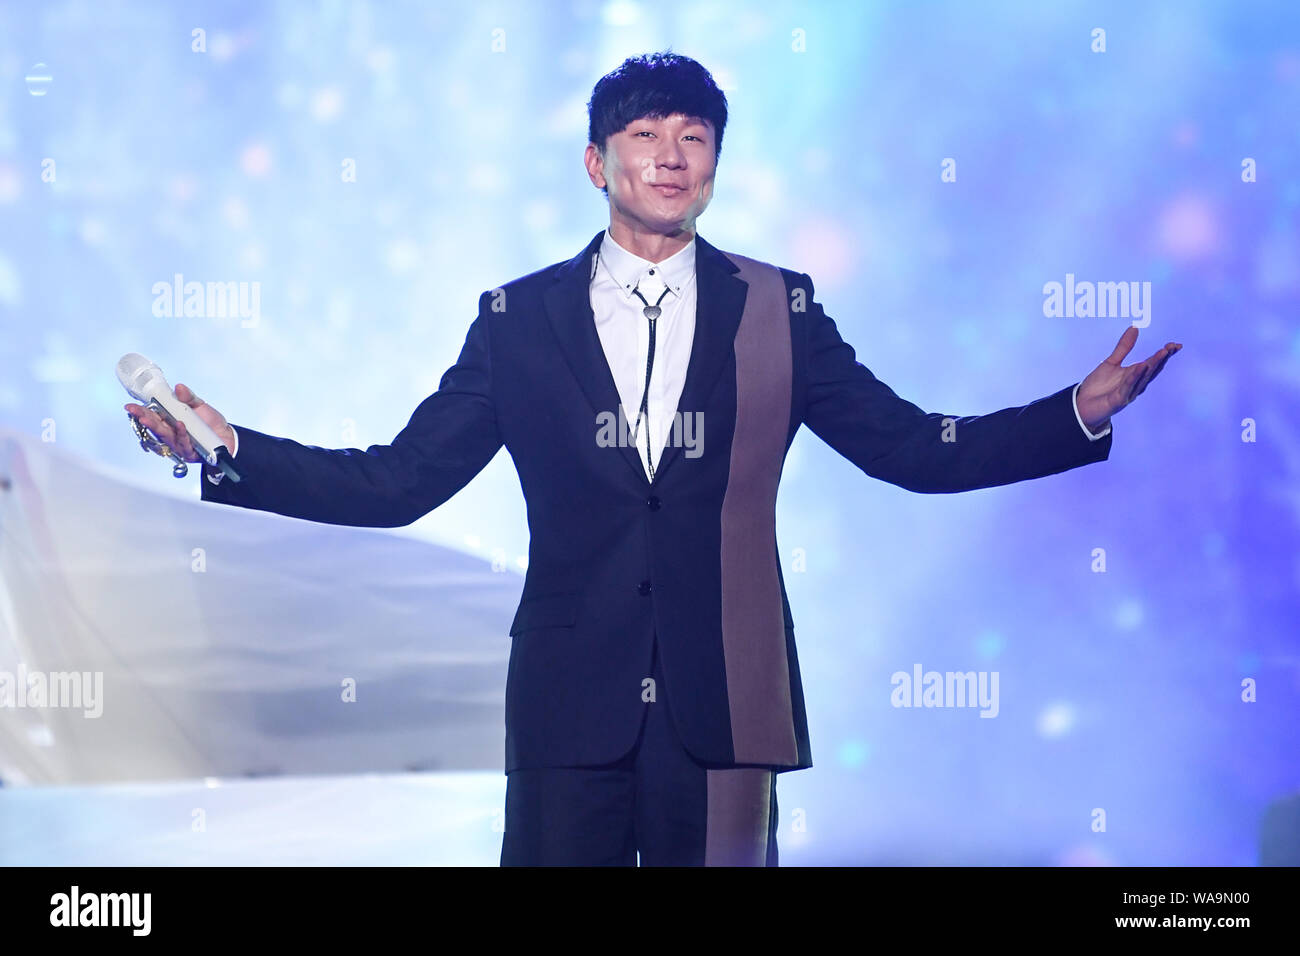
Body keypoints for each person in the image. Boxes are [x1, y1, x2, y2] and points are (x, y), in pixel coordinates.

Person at [126, 51, 1181, 866]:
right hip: (567, 701)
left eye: (694, 136)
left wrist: (1070, 415)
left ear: (716, 162)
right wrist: (229, 451)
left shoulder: (781, 306)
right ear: (597, 162)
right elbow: (399, 480)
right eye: (644, 134)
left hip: (724, 701)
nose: (671, 155)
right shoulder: (518, 318)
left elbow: (910, 448)